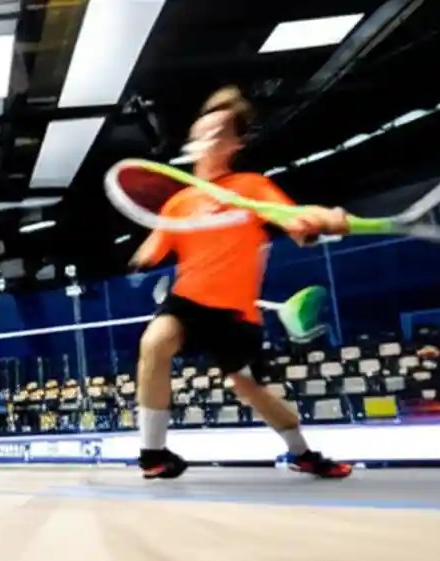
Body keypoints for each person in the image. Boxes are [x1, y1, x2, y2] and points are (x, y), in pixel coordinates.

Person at [128, 86, 353, 480]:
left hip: (235, 314)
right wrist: (142, 256)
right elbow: (152, 248)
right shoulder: (178, 204)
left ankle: (303, 453)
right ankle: (153, 453)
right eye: (205, 129)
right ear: (192, 137)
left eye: (221, 132)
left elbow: (294, 221)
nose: (210, 136)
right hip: (188, 302)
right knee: (154, 343)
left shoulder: (251, 187)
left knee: (249, 387)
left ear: (235, 144)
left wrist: (324, 220)